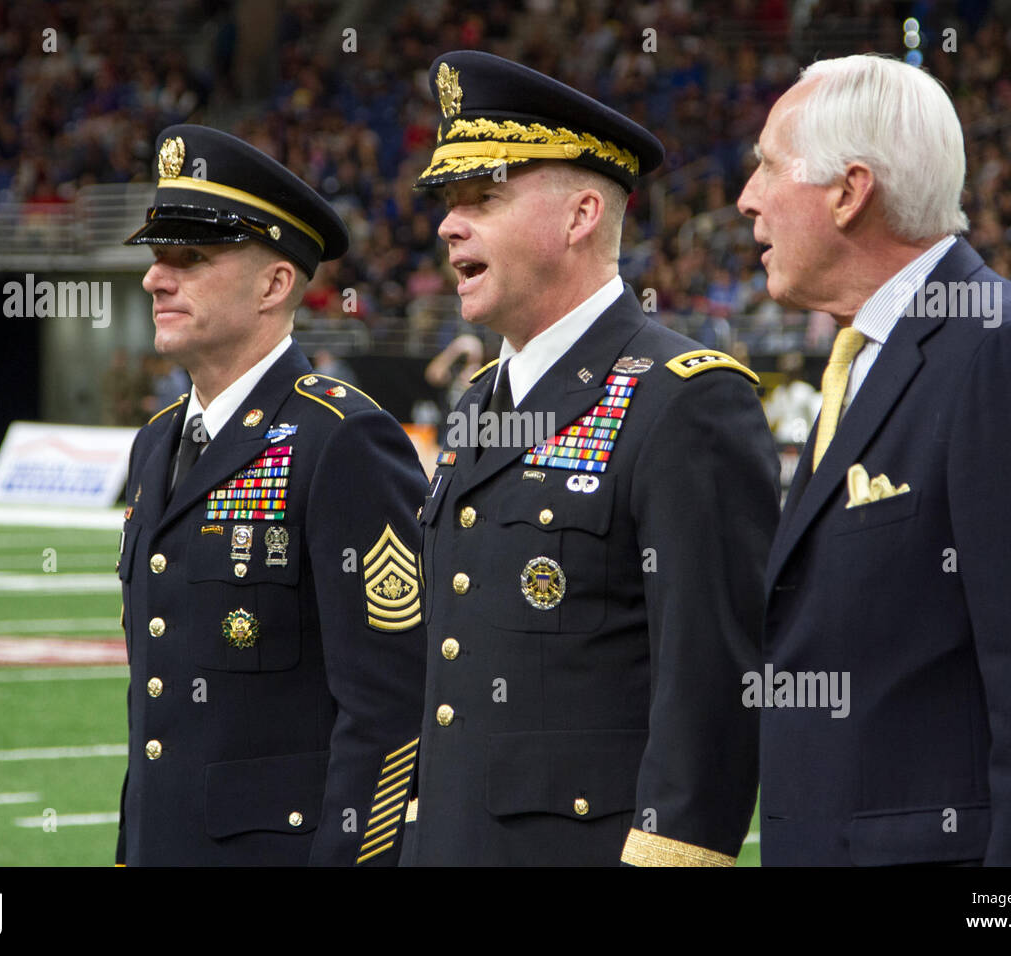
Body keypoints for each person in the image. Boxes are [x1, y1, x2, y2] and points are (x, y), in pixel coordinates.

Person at [738, 54, 1011, 865]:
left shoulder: (1005, 354)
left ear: (849, 192)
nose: (746, 197)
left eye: (767, 165)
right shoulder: (868, 358)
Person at [401, 51, 780, 866]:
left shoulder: (684, 400)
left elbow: (711, 687)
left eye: (484, 197)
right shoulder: (480, 402)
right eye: (448, 201)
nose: (447, 224)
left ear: (579, 216)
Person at [114, 124, 426, 866]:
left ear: (276, 283)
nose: (158, 279)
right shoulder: (156, 441)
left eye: (189, 258)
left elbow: (391, 707)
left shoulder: (344, 440)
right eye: (158, 258)